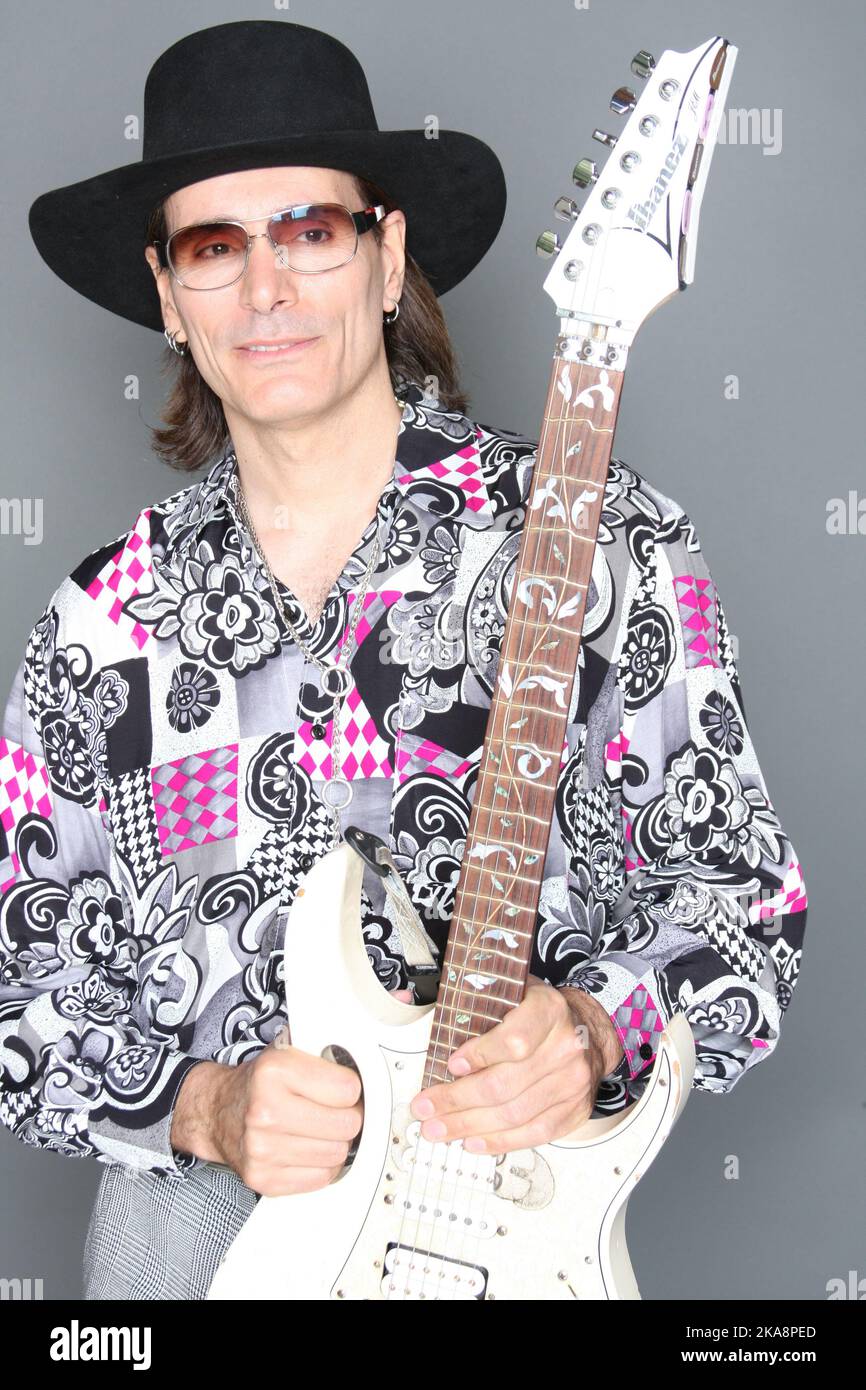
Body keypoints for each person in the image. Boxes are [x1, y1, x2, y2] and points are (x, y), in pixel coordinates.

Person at [0, 19, 807, 1301]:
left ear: (387, 258)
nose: (266, 289)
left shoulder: (601, 545)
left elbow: (742, 902)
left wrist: (597, 1024)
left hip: (503, 1237)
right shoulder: (99, 625)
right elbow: (21, 1001)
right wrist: (205, 1109)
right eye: (215, 246)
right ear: (166, 295)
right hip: (192, 1249)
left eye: (311, 232)